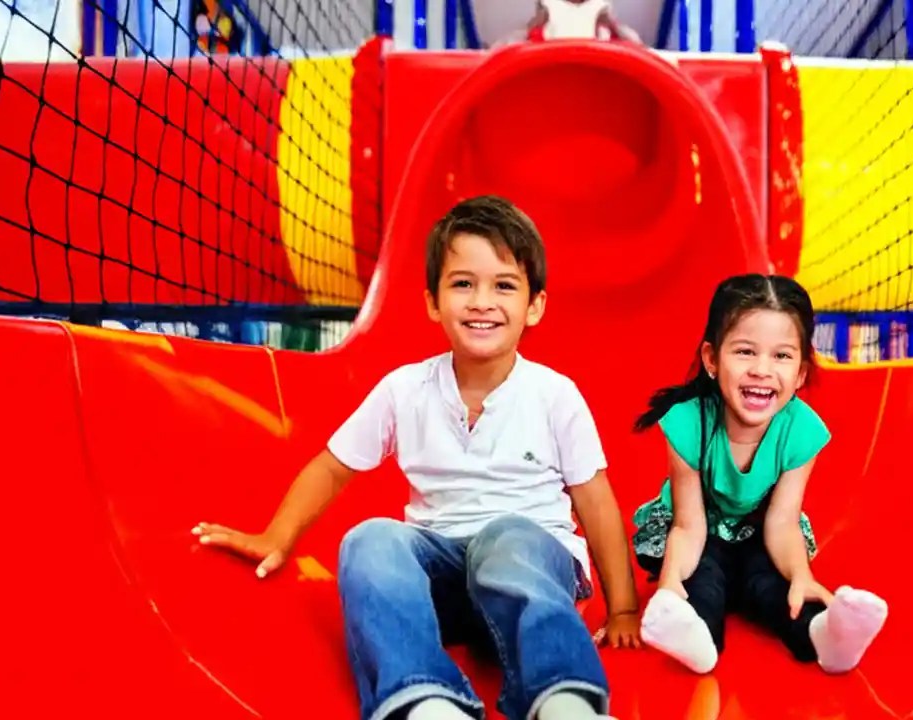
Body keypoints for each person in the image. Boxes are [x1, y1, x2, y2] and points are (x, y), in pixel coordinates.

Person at [193, 196, 641, 720]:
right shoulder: (405, 389)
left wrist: (624, 606)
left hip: (534, 572)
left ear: (534, 305)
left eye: (503, 285)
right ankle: (426, 699)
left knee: (507, 538)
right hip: (445, 591)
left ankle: (566, 700)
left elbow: (596, 500)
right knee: (370, 538)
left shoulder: (553, 394)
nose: (481, 301)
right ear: (432, 301)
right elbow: (333, 466)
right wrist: (278, 536)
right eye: (462, 284)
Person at [629, 274, 889, 675]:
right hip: (703, 538)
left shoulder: (802, 430)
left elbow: (783, 522)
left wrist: (801, 575)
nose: (762, 370)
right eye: (745, 352)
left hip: (761, 534)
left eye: (782, 356)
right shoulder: (688, 423)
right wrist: (670, 581)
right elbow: (688, 525)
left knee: (778, 589)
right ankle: (699, 644)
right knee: (702, 587)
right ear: (712, 360)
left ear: (801, 373)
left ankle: (825, 637)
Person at [522, 0, 642, 43]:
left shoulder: (600, 10)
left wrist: (612, 23)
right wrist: (535, 23)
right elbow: (512, 43)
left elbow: (636, 43)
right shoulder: (549, 9)